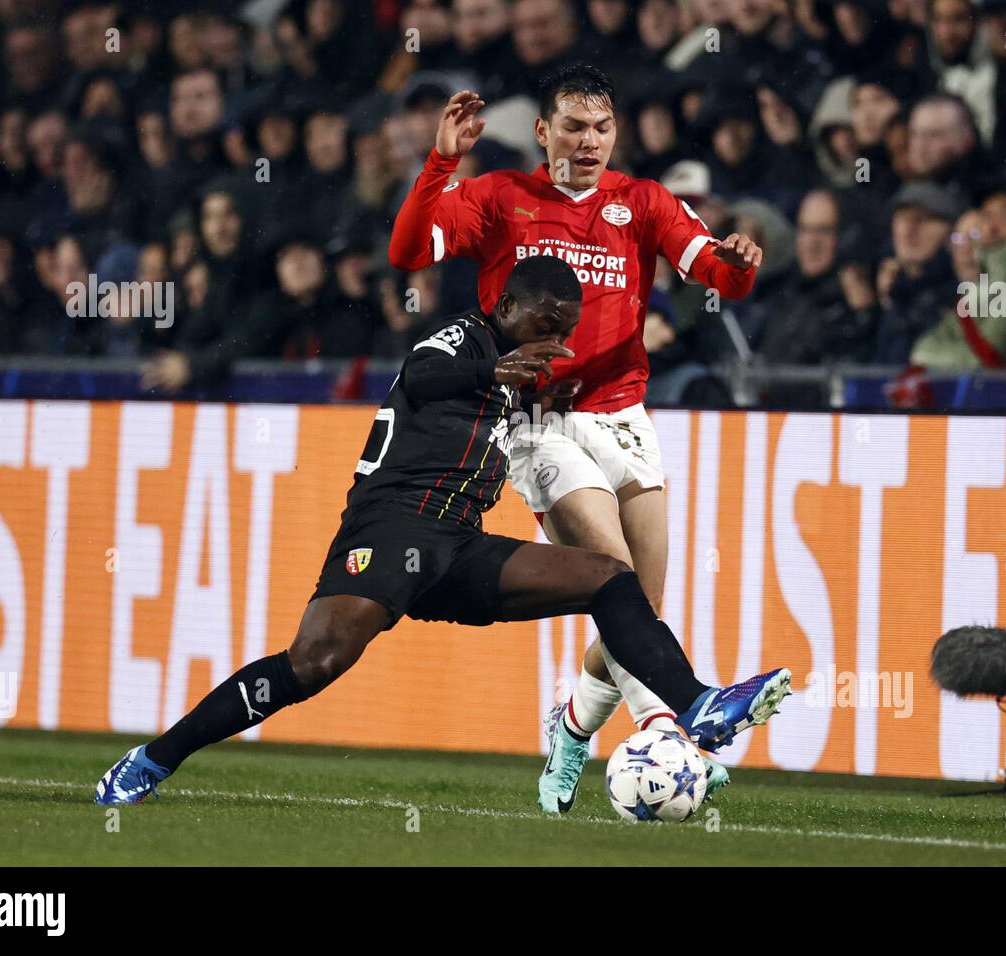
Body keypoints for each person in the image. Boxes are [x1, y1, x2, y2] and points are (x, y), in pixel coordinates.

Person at [93, 256, 792, 805]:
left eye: (563, 331)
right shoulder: (464, 336)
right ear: (507, 306)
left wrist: (539, 390)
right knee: (315, 663)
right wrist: (497, 369)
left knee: (610, 577)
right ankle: (155, 757)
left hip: (457, 542)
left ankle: (700, 704)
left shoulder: (521, 375)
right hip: (392, 524)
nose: (553, 340)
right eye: (543, 323)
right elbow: (423, 376)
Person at [387, 63, 764, 815]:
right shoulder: (500, 199)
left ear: (613, 133)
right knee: (609, 573)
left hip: (623, 419)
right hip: (536, 420)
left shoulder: (644, 203)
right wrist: (441, 163)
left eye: (601, 129)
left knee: (638, 613)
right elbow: (410, 251)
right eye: (573, 127)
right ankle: (677, 729)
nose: (588, 143)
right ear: (543, 132)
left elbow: (715, 274)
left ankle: (570, 727)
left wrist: (737, 261)